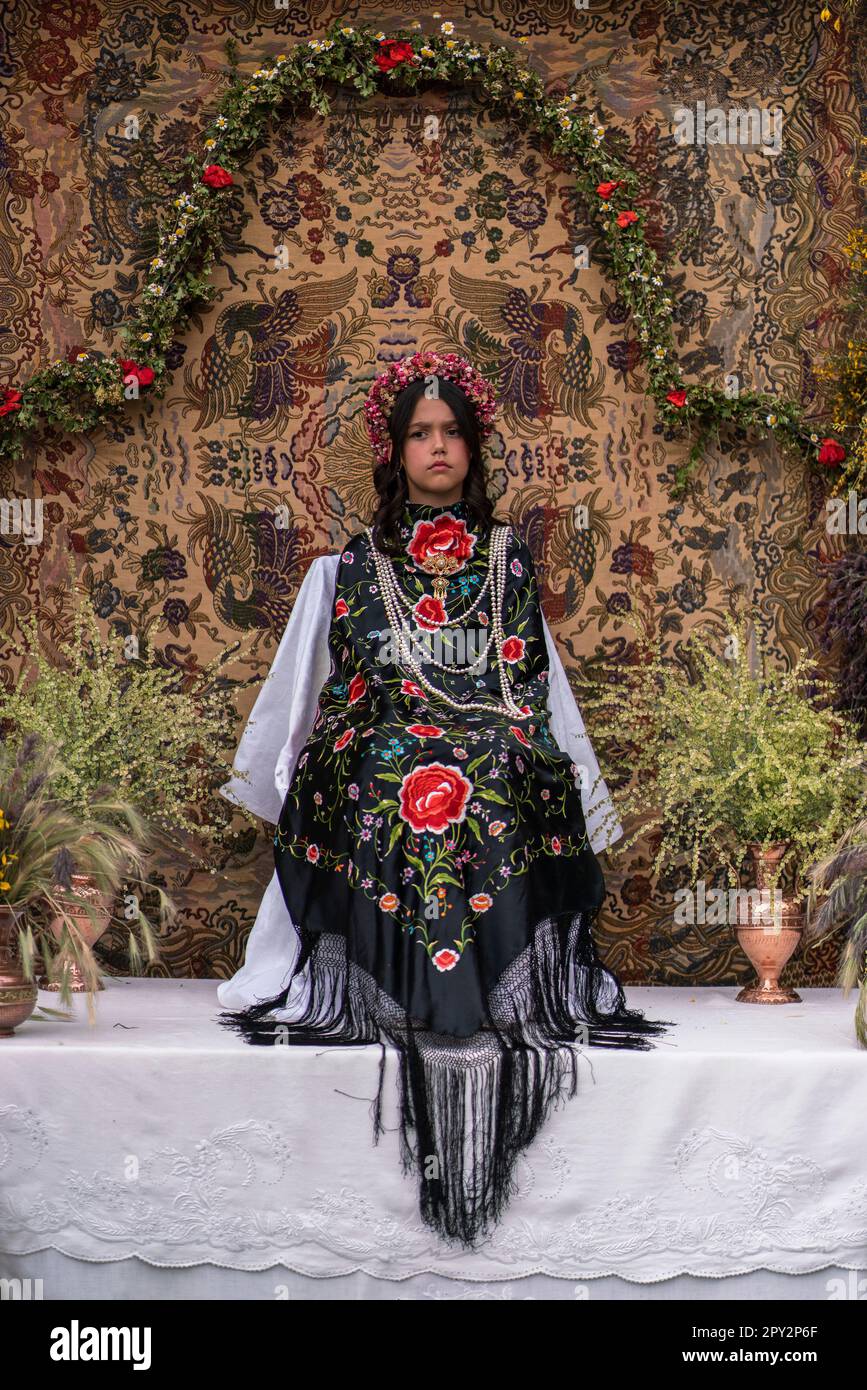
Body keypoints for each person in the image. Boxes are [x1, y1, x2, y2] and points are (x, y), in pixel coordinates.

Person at [216, 349, 673, 1248]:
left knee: (496, 763)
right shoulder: (347, 567)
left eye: (451, 433)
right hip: (378, 732)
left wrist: (478, 731)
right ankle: (393, 992)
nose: (436, 448)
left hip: (487, 733)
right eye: (419, 434)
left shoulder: (506, 561)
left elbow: (523, 686)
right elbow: (327, 696)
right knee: (387, 758)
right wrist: (398, 728)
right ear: (392, 453)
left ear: (472, 448)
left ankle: (499, 997)